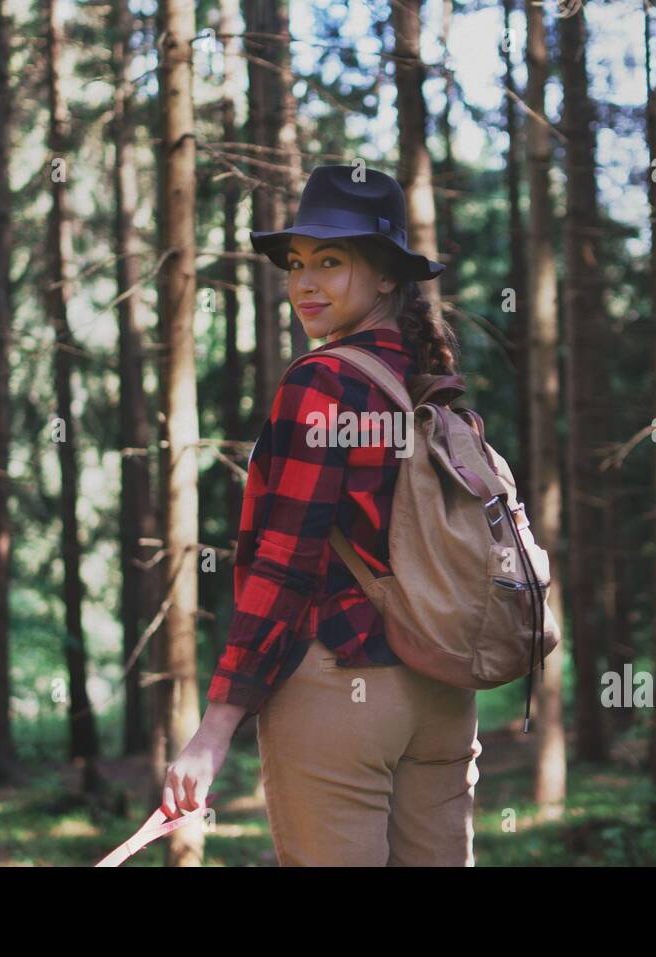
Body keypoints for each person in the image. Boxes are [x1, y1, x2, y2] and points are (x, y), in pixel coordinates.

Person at [161, 165, 483, 866]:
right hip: (443, 694)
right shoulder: (433, 385)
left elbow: (285, 560)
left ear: (387, 275)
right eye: (297, 263)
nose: (304, 282)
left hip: (341, 686)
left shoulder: (321, 382)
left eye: (331, 262)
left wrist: (215, 728)